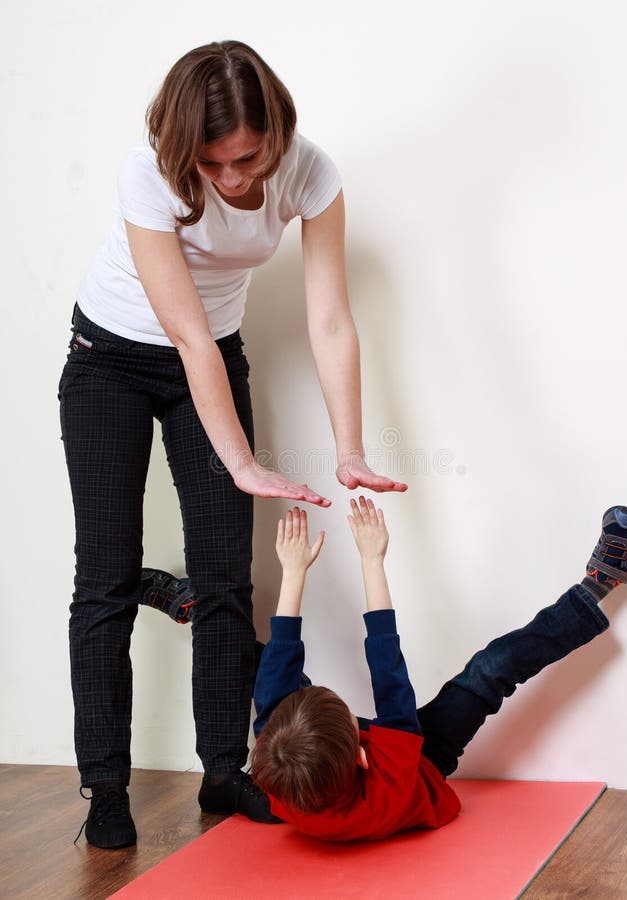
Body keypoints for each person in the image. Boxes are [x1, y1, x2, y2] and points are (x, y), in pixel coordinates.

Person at [59, 39, 406, 850]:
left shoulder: (311, 173)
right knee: (104, 576)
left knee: (224, 574)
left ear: (275, 133)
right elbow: (184, 336)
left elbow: (329, 319)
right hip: (109, 360)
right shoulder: (148, 171)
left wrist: (348, 447)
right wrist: (242, 463)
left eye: (246, 159)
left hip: (212, 358)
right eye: (209, 164)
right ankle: (105, 787)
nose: (230, 180)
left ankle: (223, 769)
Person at [249, 499, 627, 841]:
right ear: (363, 756)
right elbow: (388, 674)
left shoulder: (277, 771)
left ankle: (224, 626)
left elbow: (276, 682)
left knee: (271, 670)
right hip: (418, 767)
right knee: (489, 670)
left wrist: (293, 571)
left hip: (353, 765)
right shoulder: (392, 771)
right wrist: (372, 560)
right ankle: (599, 585)